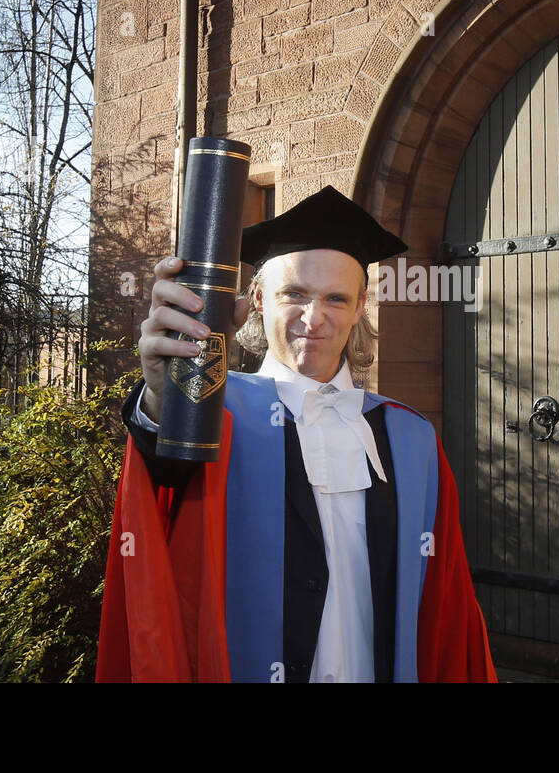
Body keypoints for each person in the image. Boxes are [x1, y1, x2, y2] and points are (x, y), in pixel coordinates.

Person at [96, 185, 497, 682]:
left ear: (360, 306)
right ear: (258, 298)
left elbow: (447, 608)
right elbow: (161, 488)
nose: (314, 318)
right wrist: (167, 402)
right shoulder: (216, 415)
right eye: (294, 294)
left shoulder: (410, 438)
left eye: (336, 298)